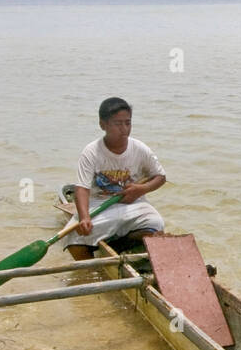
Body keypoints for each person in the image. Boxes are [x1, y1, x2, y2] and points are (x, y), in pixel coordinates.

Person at [65, 97, 167, 261]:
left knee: (156, 224)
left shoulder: (139, 149)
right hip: (100, 205)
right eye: (118, 124)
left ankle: (116, 248)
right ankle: (93, 268)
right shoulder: (91, 152)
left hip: (134, 205)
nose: (124, 129)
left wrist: (141, 189)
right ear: (103, 124)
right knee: (73, 239)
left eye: (128, 123)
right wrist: (84, 217)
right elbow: (82, 189)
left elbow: (160, 177)